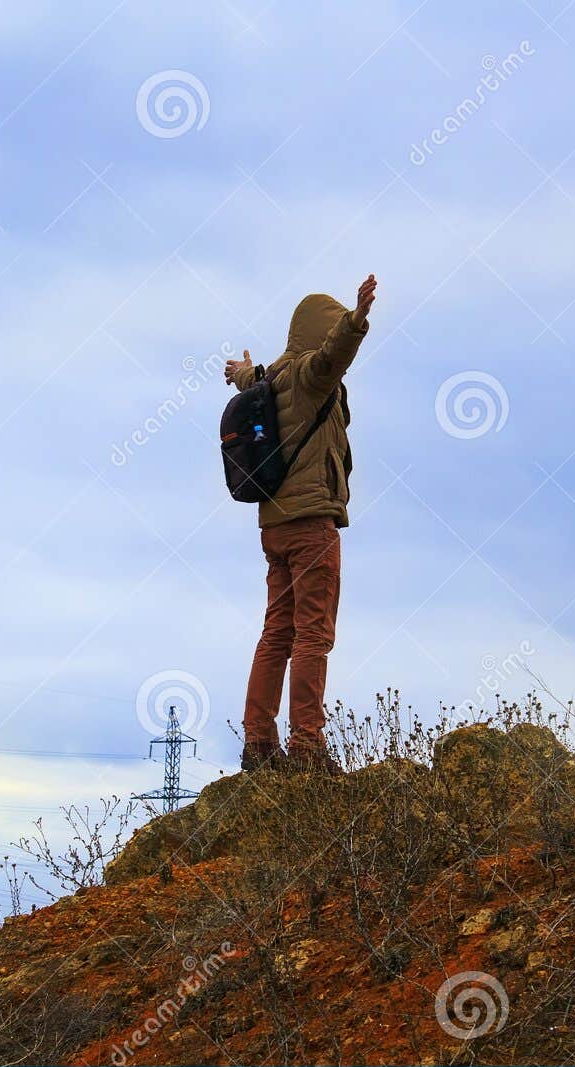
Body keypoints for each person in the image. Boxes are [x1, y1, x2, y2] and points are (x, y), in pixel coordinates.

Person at [225, 274, 377, 772]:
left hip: (275, 529)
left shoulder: (274, 377)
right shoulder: (313, 375)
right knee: (314, 635)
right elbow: (333, 355)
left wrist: (242, 372)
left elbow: (257, 382)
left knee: (277, 634)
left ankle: (259, 742)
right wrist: (355, 322)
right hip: (312, 525)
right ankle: (308, 746)